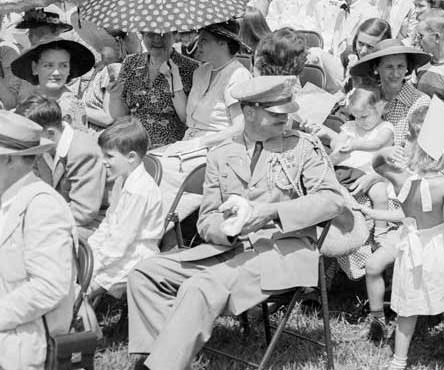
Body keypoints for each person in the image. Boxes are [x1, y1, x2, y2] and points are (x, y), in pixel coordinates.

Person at [125, 77, 345, 370]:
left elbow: (332, 200)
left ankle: (160, 365)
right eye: (276, 113)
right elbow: (206, 220)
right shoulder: (221, 153)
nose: (286, 118)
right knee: (145, 272)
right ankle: (163, 357)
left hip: (282, 252)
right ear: (250, 112)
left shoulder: (302, 147)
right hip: (229, 249)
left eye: (287, 112)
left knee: (201, 286)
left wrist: (271, 211)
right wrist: (228, 229)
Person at [362, 137, 444, 370]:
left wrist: (384, 152)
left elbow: (377, 166)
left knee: (408, 307)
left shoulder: (403, 180)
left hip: (412, 245)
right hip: (440, 246)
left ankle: (398, 360)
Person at [0, 109, 75, 370]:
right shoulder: (8, 197)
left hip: (22, 336)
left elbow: (49, 286)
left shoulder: (42, 206)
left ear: (9, 160)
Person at [87, 117, 165, 298]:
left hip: (135, 259)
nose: (103, 161)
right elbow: (109, 222)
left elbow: (122, 240)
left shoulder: (138, 191)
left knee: (80, 291)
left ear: (131, 157)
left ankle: (83, 322)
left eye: (109, 156)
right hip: (117, 252)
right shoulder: (121, 180)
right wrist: (91, 253)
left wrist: (94, 266)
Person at [16, 95, 105, 240]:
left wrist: (38, 222)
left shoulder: (82, 151)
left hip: (91, 226)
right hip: (58, 217)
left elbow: (84, 212)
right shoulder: (42, 149)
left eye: (29, 137)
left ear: (50, 134)